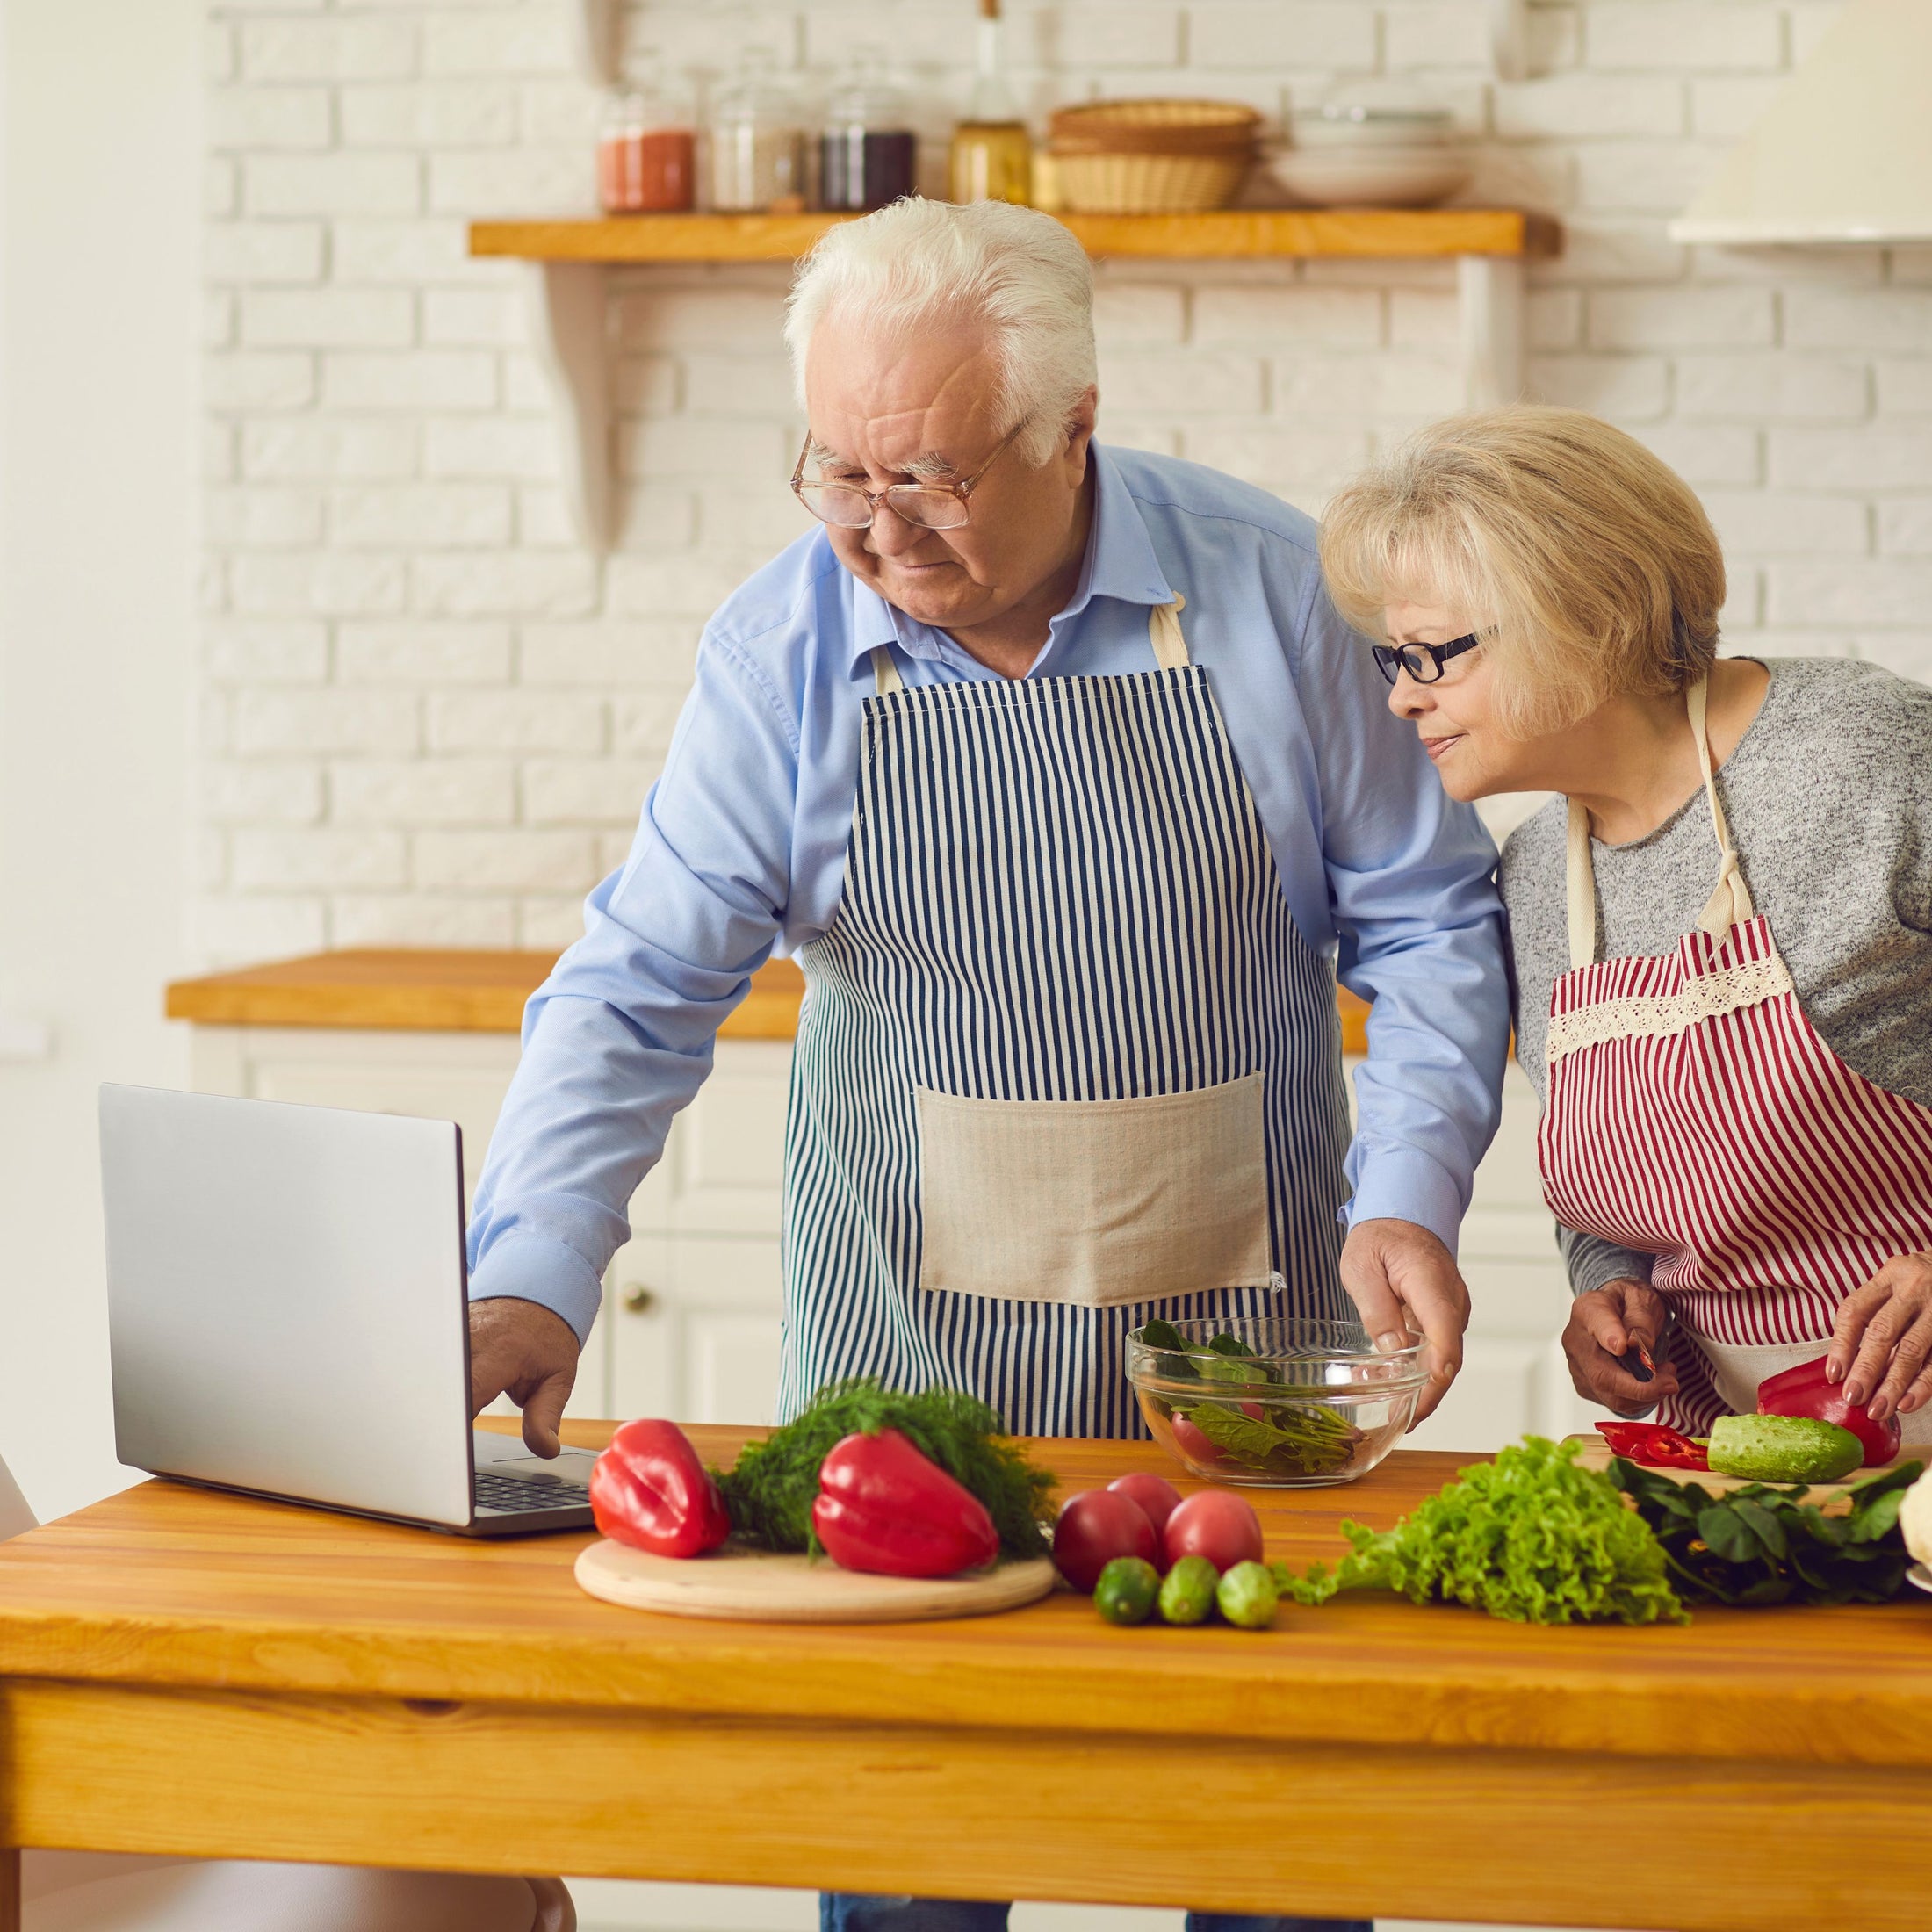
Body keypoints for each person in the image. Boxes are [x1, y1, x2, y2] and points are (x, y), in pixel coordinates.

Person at [467, 198, 1511, 1932]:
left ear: (1070, 423)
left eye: (932, 480)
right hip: (906, 1368)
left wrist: (1405, 1191)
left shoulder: (1270, 594)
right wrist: (532, 1267)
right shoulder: (780, 649)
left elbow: (1427, 928)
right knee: (908, 1877)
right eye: (838, 475)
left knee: (1272, 1860)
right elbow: (636, 985)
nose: (877, 532)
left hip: (1242, 1373)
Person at [1319, 404, 1932, 1443]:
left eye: (1434, 655)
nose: (1402, 701)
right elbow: (1620, 1188)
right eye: (1396, 659)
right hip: (1732, 1471)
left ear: (1581, 617)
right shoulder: (1533, 887)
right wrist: (1607, 1287)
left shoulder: (1868, 758)